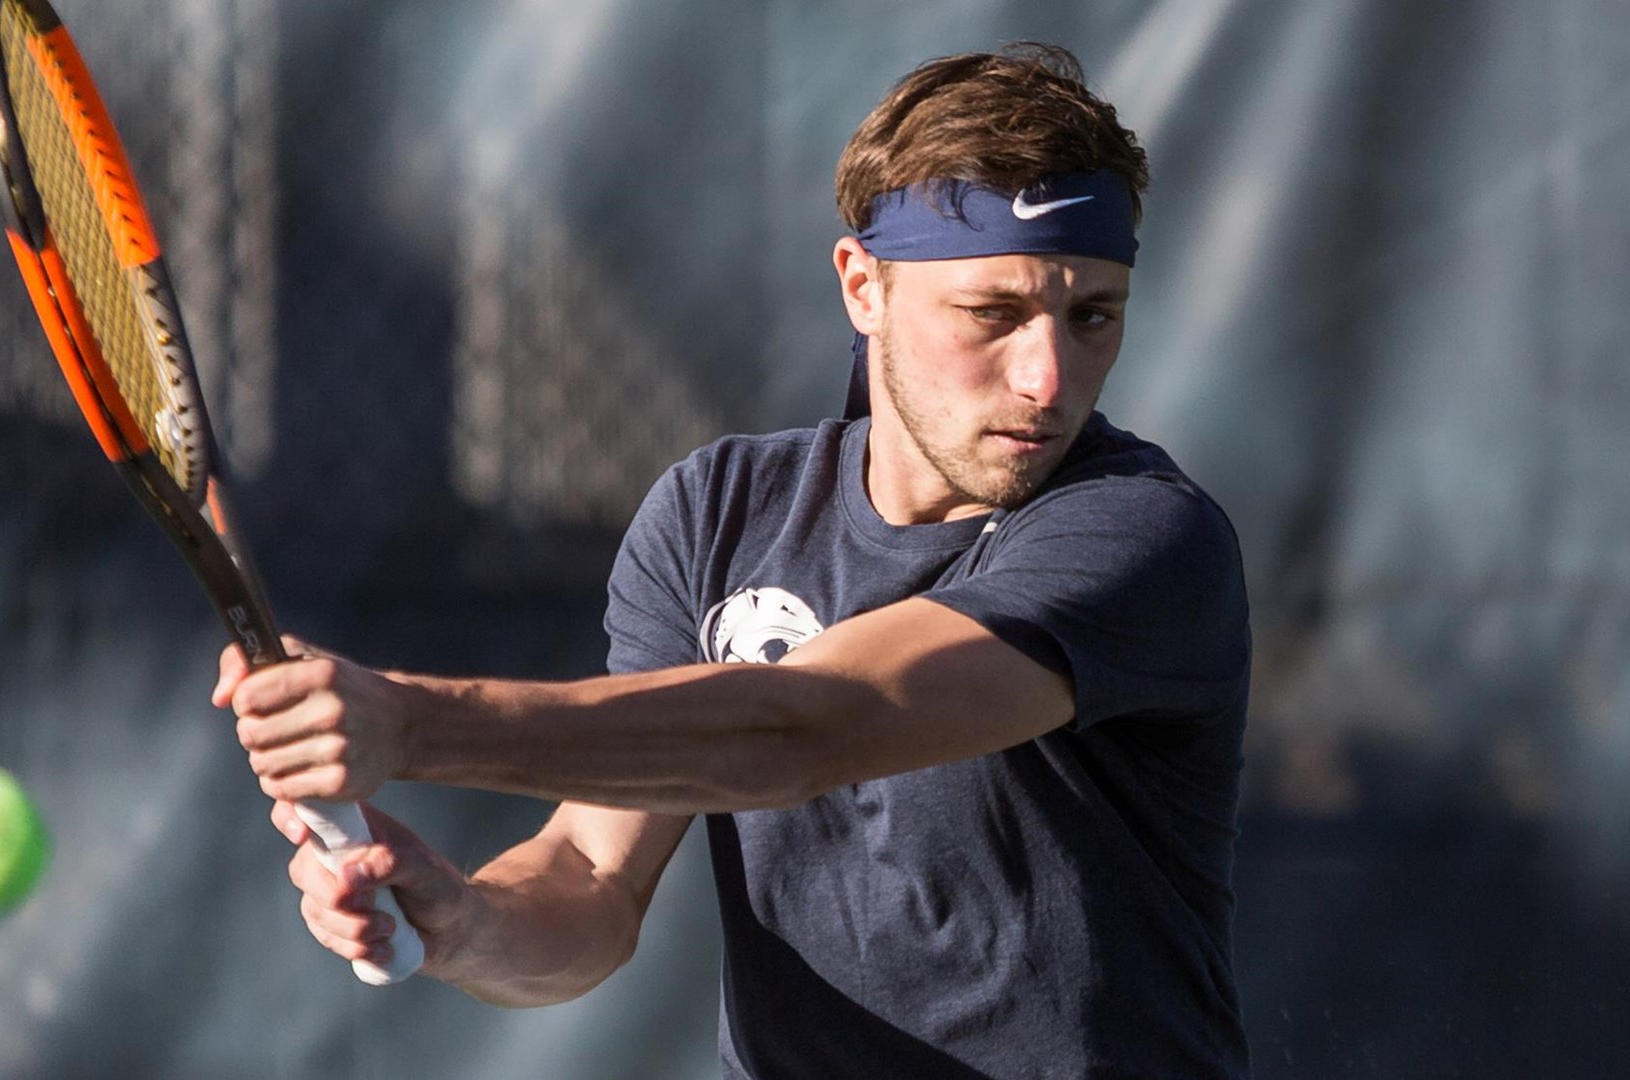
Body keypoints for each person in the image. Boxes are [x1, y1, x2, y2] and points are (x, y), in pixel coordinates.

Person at [215, 43, 1251, 1078]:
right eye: (993, 313)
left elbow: (801, 730)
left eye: (1093, 316)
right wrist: (463, 922)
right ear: (864, 286)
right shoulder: (718, 512)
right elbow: (589, 876)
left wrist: (413, 724)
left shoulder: (1143, 537)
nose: (1047, 376)